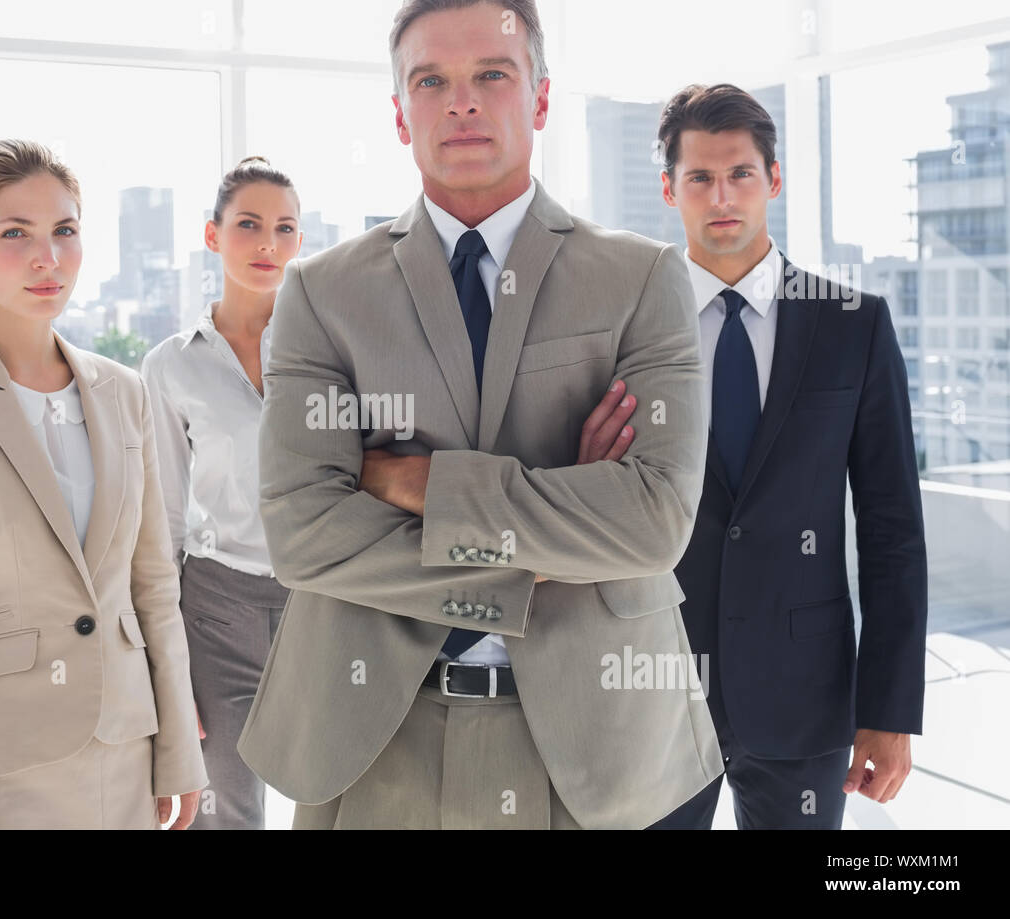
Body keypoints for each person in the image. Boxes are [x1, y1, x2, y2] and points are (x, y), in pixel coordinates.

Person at [236, 0, 724, 829]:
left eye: (490, 75)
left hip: (593, 748)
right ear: (400, 113)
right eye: (432, 81)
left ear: (538, 99)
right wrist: (557, 522)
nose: (461, 101)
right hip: (371, 741)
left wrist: (418, 484)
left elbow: (653, 522)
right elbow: (303, 531)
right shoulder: (322, 293)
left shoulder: (643, 278)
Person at [0, 139, 207, 829]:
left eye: (64, 231)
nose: (46, 257)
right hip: (5, 775)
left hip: (127, 757)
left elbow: (153, 588)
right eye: (15, 233)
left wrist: (178, 753)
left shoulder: (125, 392)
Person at [651, 84, 926, 828]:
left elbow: (893, 527)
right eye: (700, 177)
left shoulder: (854, 325)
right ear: (669, 188)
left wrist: (890, 708)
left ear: (774, 180)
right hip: (652, 688)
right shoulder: (629, 328)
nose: (722, 196)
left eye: (741, 173)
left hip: (807, 695)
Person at [141, 155, 303, 829]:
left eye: (285, 228)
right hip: (218, 608)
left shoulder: (327, 351)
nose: (268, 243)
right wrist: (171, 667)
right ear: (213, 236)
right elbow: (164, 521)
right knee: (224, 806)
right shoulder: (171, 364)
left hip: (319, 598)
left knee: (347, 789)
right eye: (249, 224)